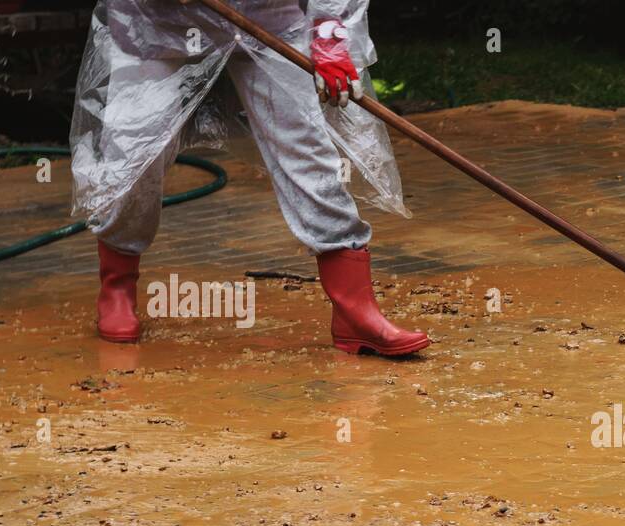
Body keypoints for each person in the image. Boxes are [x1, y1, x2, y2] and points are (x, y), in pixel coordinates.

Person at [71, 0, 428, 355]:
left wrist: (330, 30)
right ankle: (117, 287)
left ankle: (355, 313)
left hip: (266, 15)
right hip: (155, 22)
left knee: (309, 152)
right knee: (134, 158)